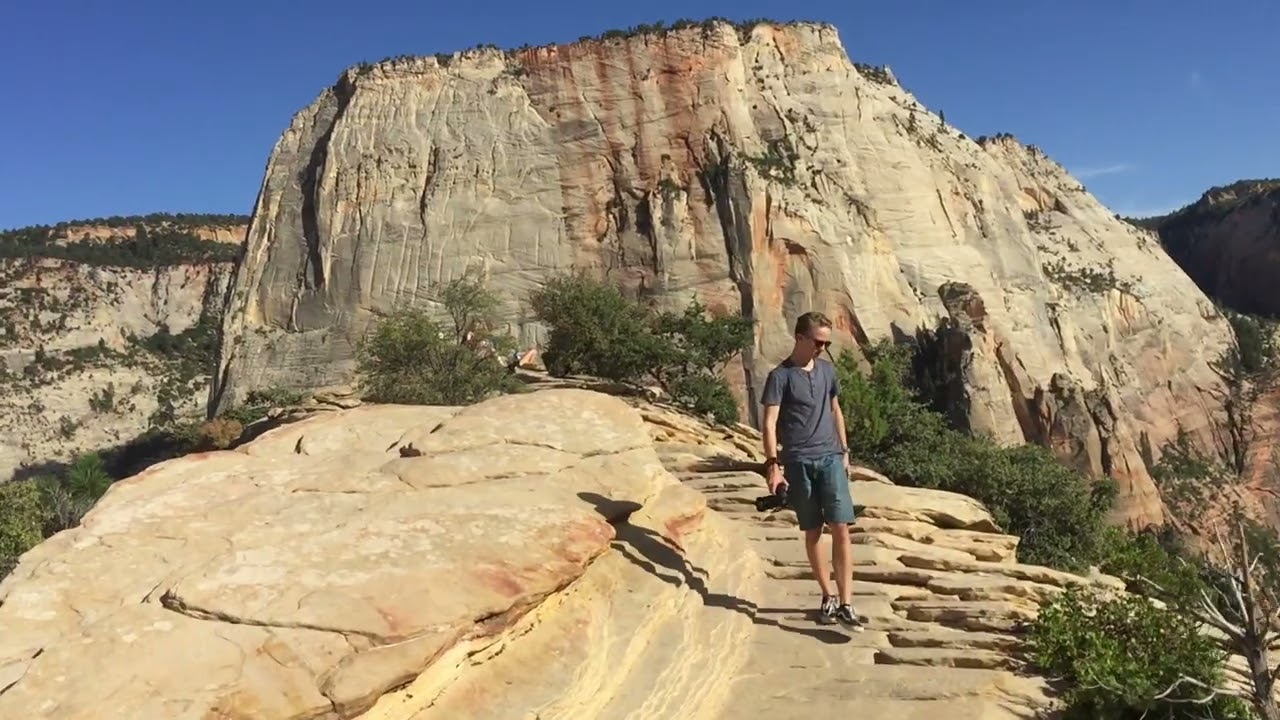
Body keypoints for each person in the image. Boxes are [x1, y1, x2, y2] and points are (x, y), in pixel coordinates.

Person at [760, 311, 862, 630]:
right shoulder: (780, 377)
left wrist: (845, 451)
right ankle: (827, 596)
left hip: (830, 457)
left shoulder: (828, 371)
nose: (822, 348)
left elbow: (835, 410)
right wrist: (773, 466)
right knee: (813, 530)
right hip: (798, 461)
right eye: (818, 342)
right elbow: (769, 423)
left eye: (826, 343)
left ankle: (846, 603)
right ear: (800, 338)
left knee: (841, 527)